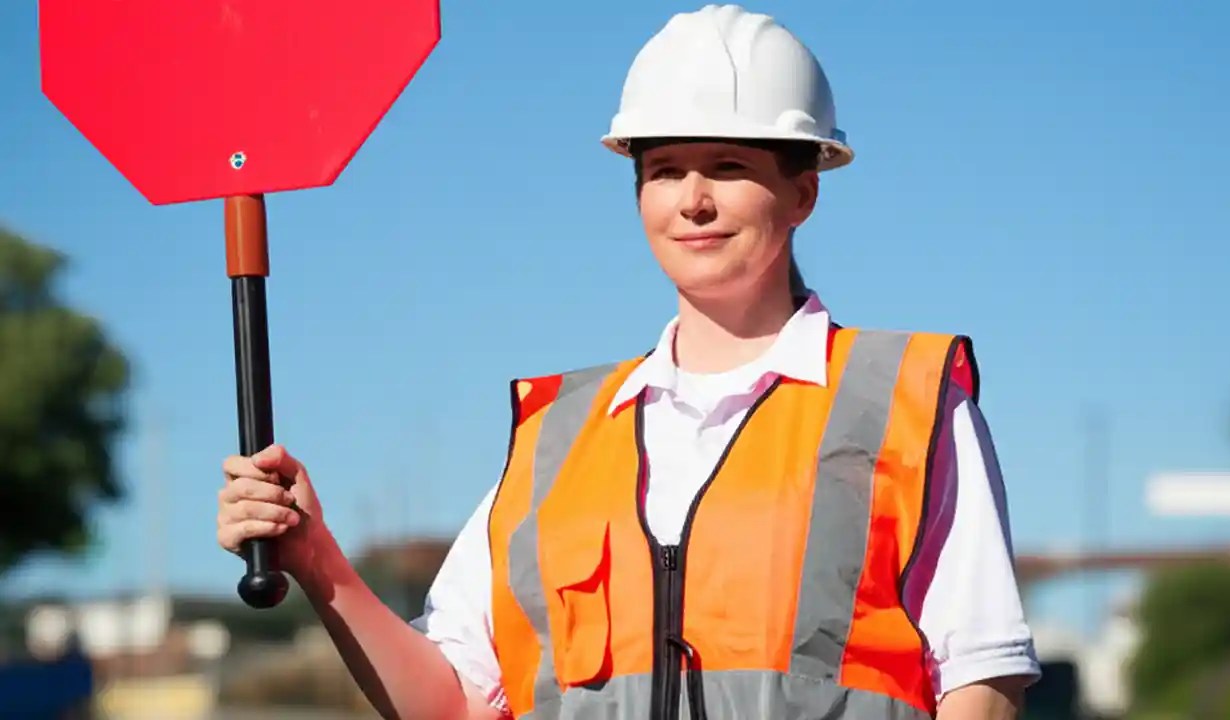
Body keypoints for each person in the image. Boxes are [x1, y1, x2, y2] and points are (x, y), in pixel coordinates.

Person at [216, 5, 1040, 719]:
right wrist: (315, 556)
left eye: (729, 167)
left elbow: (983, 673)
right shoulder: (555, 439)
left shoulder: (904, 402)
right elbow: (454, 700)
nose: (693, 200)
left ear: (803, 193)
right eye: (665, 171)